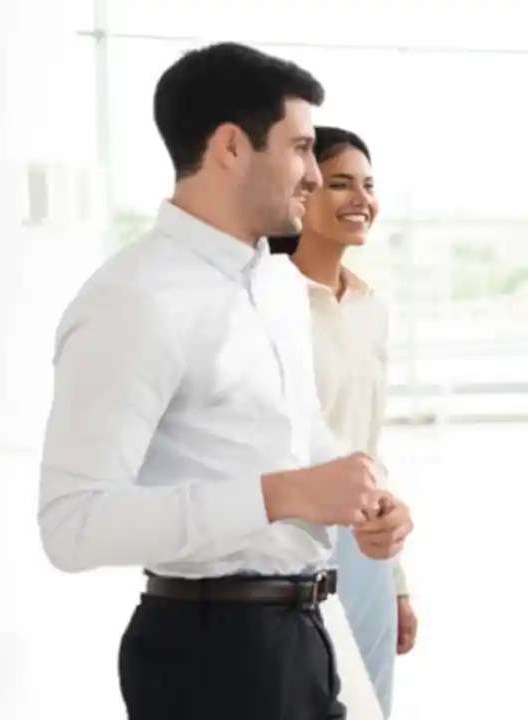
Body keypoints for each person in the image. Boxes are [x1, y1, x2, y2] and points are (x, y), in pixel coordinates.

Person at [36, 42, 412, 720]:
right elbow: (73, 525)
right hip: (209, 657)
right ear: (233, 146)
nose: (310, 172)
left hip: (297, 635)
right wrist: (283, 495)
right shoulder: (133, 299)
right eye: (300, 149)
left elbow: (300, 434)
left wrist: (364, 498)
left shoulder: (273, 282)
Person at [269, 125, 417, 719]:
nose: (361, 198)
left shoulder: (369, 306)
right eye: (340, 183)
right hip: (290, 545)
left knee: (372, 707)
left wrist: (396, 580)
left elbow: (368, 448)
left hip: (365, 545)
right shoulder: (267, 301)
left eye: (369, 184)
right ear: (301, 191)